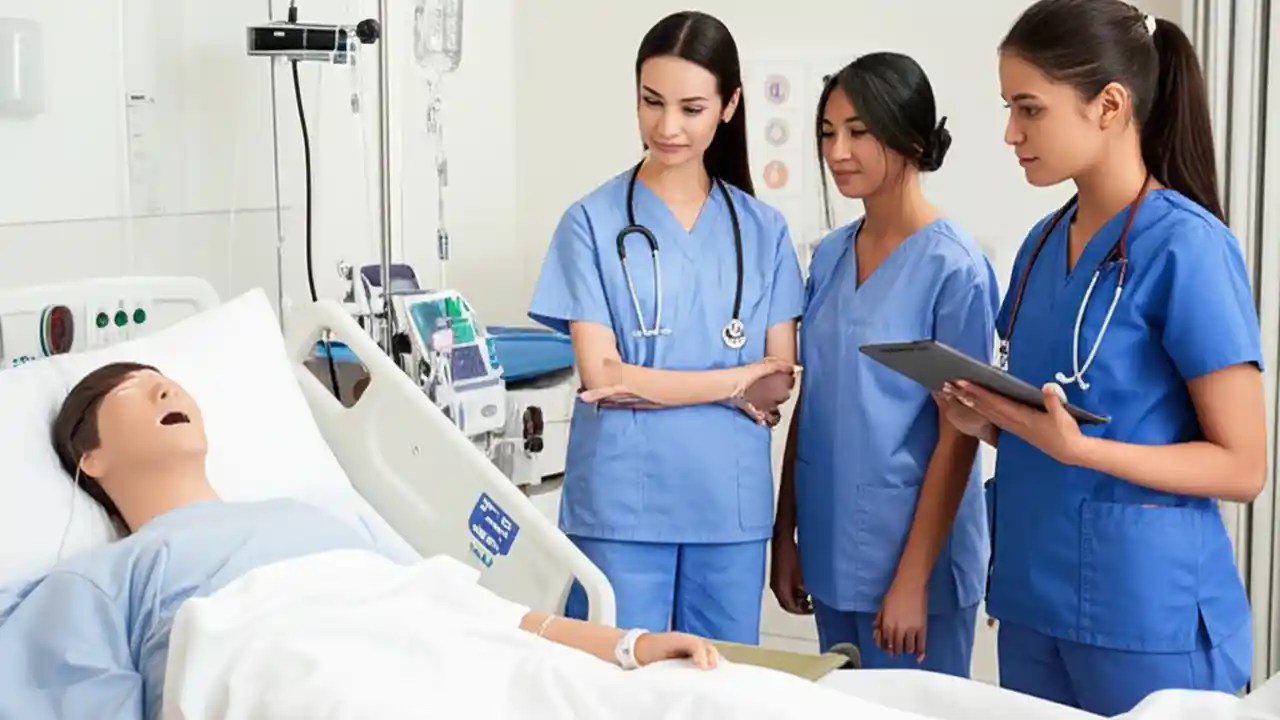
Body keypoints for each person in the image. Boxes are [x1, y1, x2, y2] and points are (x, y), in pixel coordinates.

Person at [0, 362, 720, 720]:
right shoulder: (103, 576)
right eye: (133, 390)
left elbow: (471, 613)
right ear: (89, 456)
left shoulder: (315, 515)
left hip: (437, 650)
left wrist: (627, 647)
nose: (167, 393)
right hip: (292, 667)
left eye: (171, 383)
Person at [935, 0, 1267, 714]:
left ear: (1109, 105)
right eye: (1008, 108)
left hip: (1146, 614)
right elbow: (1053, 417)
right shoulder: (1039, 247)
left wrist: (1083, 450)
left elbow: (1244, 466)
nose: (1010, 133)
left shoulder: (1189, 247)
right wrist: (985, 419)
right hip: (1032, 602)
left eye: (1029, 109)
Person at [527, 10, 805, 644]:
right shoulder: (591, 223)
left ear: (729, 106)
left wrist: (647, 384)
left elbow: (777, 380)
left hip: (727, 511)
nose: (667, 126)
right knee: (613, 692)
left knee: (721, 691)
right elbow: (601, 375)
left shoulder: (762, 232)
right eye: (651, 103)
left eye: (691, 107)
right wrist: (731, 383)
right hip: (621, 509)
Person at [770, 54, 996, 678]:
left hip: (915, 569)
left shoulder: (954, 269)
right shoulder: (832, 255)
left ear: (910, 138)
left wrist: (912, 579)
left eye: (859, 131)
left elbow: (961, 432)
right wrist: (784, 534)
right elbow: (813, 402)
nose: (838, 150)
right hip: (830, 546)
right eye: (828, 132)